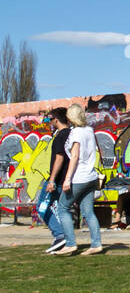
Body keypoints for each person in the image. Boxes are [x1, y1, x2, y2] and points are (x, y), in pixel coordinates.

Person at [54, 104, 104, 256]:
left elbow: (75, 157)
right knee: (88, 212)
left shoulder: (75, 133)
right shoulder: (89, 130)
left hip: (79, 177)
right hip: (91, 177)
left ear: (71, 117)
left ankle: (70, 244)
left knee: (62, 208)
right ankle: (96, 244)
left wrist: (67, 179)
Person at [39, 106, 71, 254]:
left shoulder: (60, 136)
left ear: (56, 120)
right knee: (62, 211)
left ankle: (59, 236)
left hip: (57, 180)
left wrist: (51, 180)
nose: (49, 122)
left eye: (50, 119)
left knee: (42, 207)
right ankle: (68, 240)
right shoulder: (71, 134)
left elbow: (59, 158)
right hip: (66, 179)